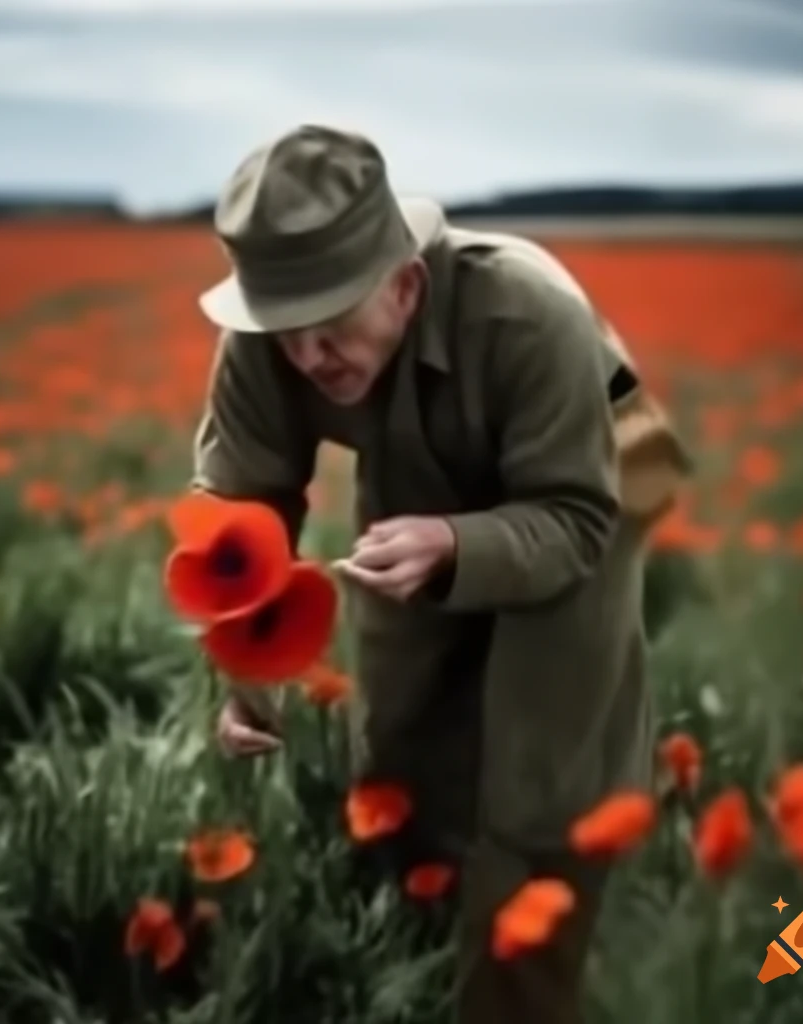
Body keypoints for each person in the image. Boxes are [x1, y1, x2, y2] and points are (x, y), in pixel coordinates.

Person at [190, 123, 690, 1023]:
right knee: (404, 698)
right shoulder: (274, 337)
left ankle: (536, 972)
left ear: (405, 284)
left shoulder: (528, 313)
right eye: (285, 332)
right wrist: (245, 683)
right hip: (422, 445)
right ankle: (418, 937)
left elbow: (576, 520)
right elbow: (241, 520)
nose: (305, 358)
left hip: (592, 459)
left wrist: (462, 545)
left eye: (328, 324)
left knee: (546, 745)